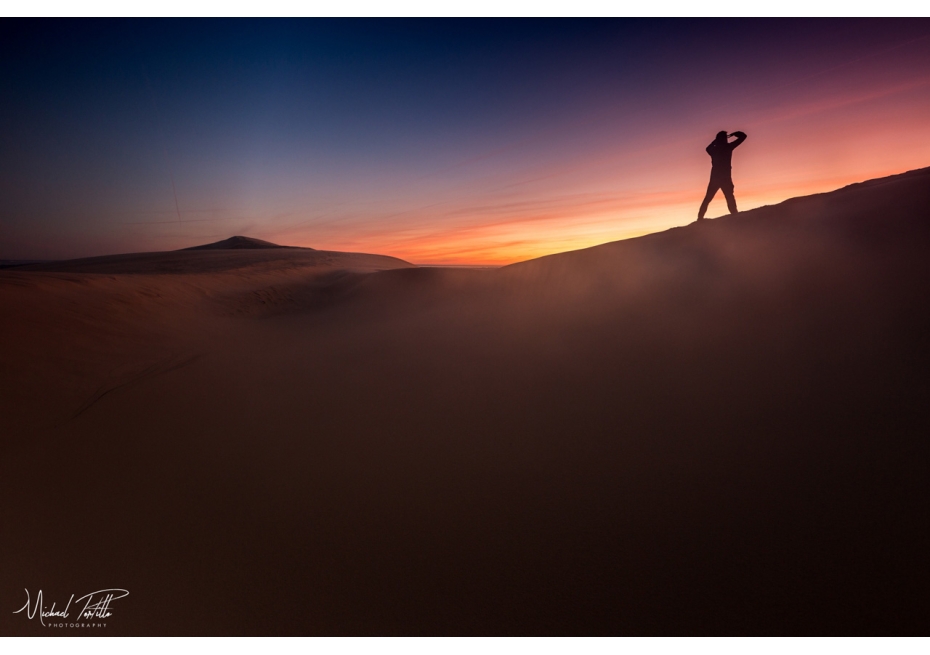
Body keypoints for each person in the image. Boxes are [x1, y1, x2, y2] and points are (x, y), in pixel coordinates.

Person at [697, 130, 747, 221]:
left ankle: (700, 218)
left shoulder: (714, 150)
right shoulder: (728, 147)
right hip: (725, 178)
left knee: (708, 198)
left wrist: (714, 142)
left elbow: (707, 148)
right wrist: (735, 134)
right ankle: (735, 215)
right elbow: (743, 136)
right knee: (729, 197)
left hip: (715, 178)